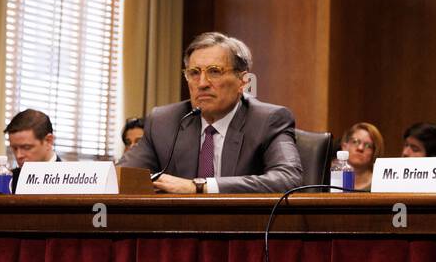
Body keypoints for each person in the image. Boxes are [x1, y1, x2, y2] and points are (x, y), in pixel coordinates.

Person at [118, 32, 303, 193]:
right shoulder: (164, 121)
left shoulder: (268, 120)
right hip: (177, 229)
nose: (202, 83)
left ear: (243, 81)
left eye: (214, 71)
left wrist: (199, 187)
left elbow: (287, 179)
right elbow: (121, 177)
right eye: (194, 73)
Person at [5, 108, 62, 192]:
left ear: (48, 141)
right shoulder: (9, 181)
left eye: (26, 147)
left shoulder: (73, 181)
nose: (18, 155)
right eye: (14, 148)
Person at [340, 122, 384, 191]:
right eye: (355, 142)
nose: (360, 148)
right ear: (344, 146)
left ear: (374, 153)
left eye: (368, 146)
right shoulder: (332, 179)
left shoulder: (380, 184)